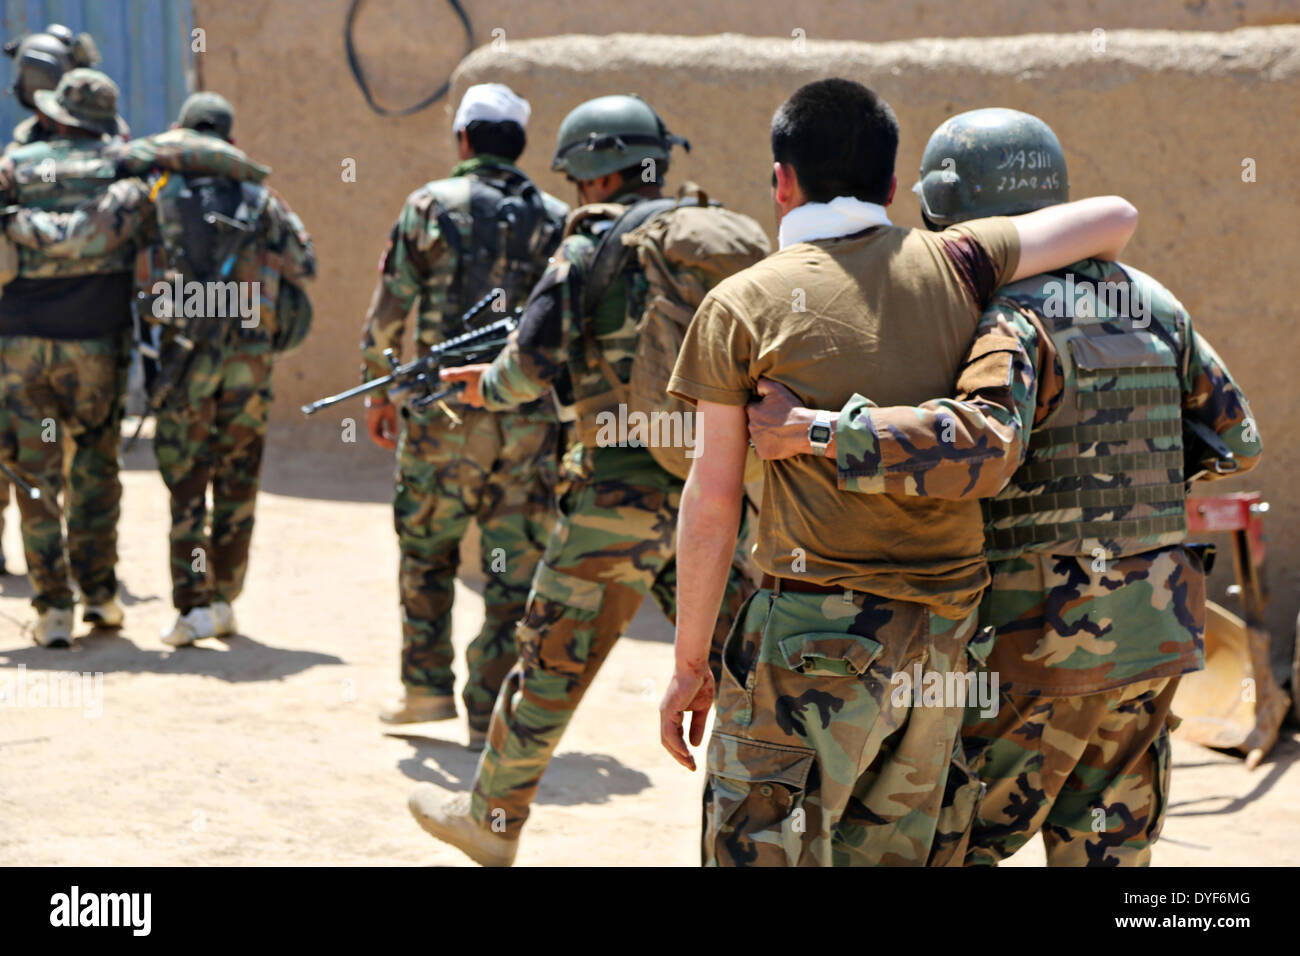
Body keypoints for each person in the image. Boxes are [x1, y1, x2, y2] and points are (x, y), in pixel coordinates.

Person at [743, 107, 1262, 866]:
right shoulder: (1150, 300)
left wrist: (821, 431)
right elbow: (1238, 440)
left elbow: (977, 450)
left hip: (1036, 641)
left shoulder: (1006, 317)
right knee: (1110, 850)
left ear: (948, 206)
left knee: (959, 841)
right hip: (1154, 630)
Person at [660, 78, 1141, 866]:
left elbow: (710, 499)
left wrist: (689, 666)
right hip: (943, 641)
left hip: (810, 641)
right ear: (891, 185)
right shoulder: (961, 261)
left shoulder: (740, 305)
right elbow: (1115, 216)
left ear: (781, 179)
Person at [407, 93, 761, 866]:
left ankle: (491, 822)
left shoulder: (588, 248)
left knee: (551, 661)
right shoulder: (714, 238)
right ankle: (771, 837)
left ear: (595, 175)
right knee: (748, 668)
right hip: (721, 495)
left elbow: (528, 368)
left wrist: (482, 387)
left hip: (616, 500)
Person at [4, 89, 315, 647]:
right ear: (231, 140)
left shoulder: (159, 192)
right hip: (246, 361)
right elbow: (304, 261)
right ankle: (219, 600)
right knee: (237, 479)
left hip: (182, 357)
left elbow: (132, 262)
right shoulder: (259, 197)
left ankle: (178, 602)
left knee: (187, 486)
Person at [358, 83, 568, 741]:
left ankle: (424, 690)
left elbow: (388, 314)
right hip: (526, 418)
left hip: (442, 417)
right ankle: (488, 708)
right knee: (514, 561)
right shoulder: (557, 217)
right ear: (520, 145)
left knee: (426, 549)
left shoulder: (427, 206)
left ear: (463, 140)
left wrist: (376, 390)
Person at [0, 69, 138, 645]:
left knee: (36, 476)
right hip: (96, 344)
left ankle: (53, 608)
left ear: (56, 113)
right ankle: (101, 596)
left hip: (20, 345)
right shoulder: (124, 166)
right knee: (96, 470)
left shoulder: (14, 166)